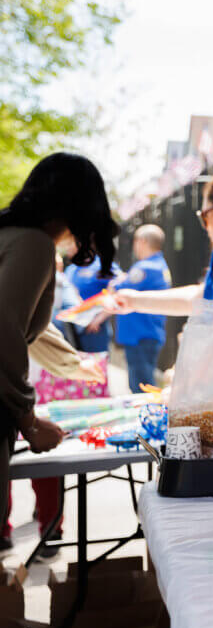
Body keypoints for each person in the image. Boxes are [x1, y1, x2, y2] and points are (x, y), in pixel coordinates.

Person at [0, 153, 117, 538]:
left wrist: (72, 363)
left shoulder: (13, 237)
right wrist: (29, 422)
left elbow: (21, 324)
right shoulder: (33, 244)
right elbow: (6, 334)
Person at [107, 169, 213, 318]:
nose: (206, 227)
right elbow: (200, 297)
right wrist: (133, 301)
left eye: (204, 216)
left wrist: (133, 300)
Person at [110, 225, 171, 392]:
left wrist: (117, 281)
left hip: (139, 335)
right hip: (147, 333)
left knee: (141, 388)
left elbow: (117, 289)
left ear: (142, 241)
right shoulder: (159, 266)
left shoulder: (144, 268)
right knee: (144, 383)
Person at [63, 252, 115, 353]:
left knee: (97, 360)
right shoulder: (71, 269)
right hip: (74, 326)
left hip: (95, 328)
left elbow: (116, 288)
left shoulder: (103, 264)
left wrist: (99, 318)